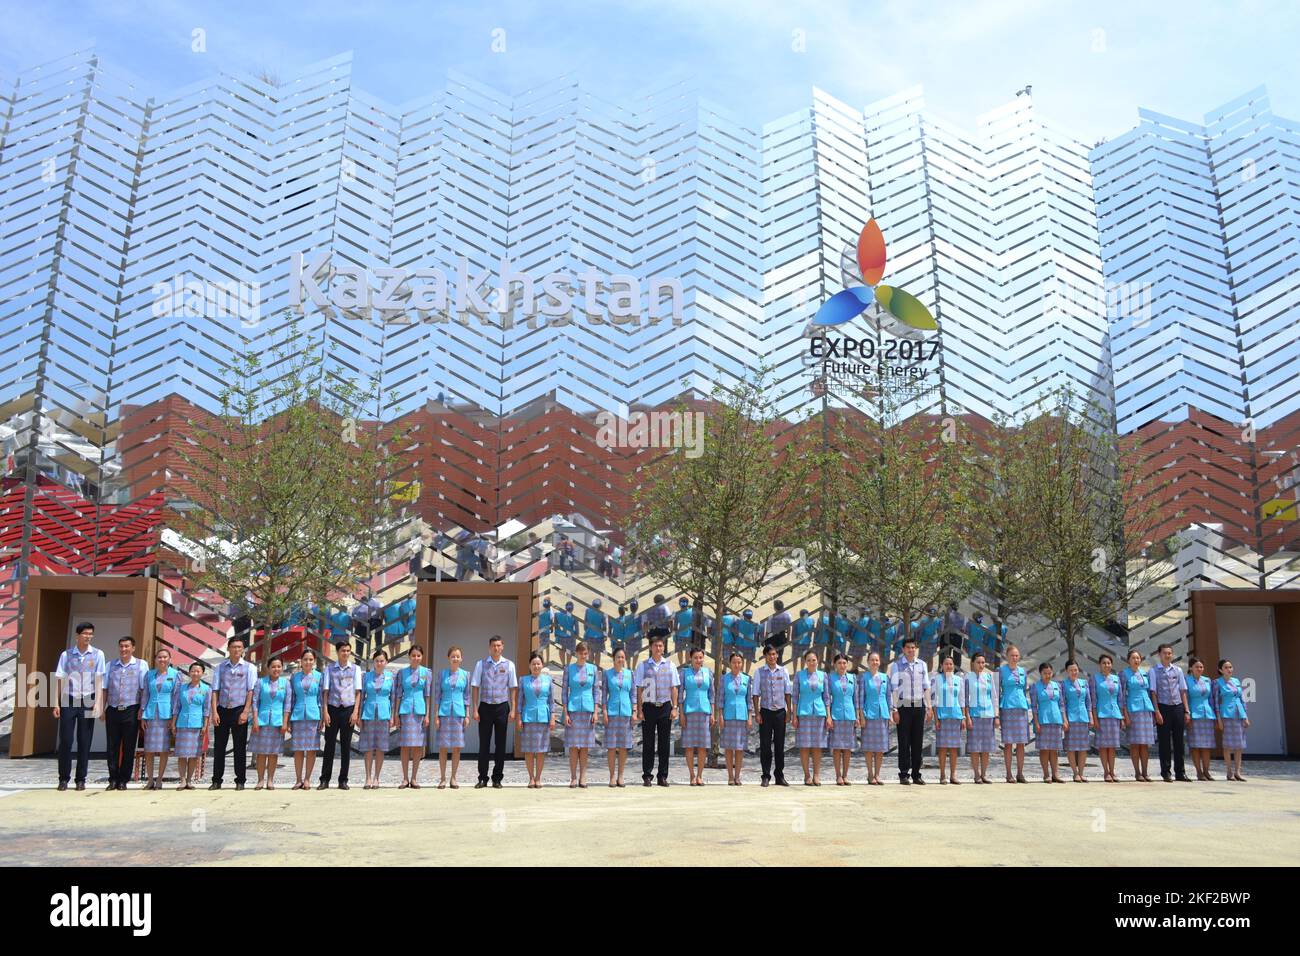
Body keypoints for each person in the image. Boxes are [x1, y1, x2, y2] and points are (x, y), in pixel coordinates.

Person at [54, 622, 106, 792]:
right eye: (85, 633)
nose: (88, 636)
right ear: (77, 635)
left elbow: (99, 680)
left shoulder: (98, 654)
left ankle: (81, 779)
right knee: (66, 740)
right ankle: (63, 778)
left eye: (91, 633)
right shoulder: (66, 655)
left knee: (85, 740)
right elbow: (60, 679)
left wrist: (98, 702)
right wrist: (56, 703)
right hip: (69, 699)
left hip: (88, 700)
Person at [210, 636, 257, 791]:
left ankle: (240, 780)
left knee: (239, 747)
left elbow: (251, 691)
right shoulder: (220, 667)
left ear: (243, 649)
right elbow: (215, 690)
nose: (237, 650)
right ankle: (216, 780)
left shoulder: (249, 667)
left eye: (239, 647)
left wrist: (245, 711)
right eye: (234, 647)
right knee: (219, 747)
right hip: (222, 709)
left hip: (239, 709)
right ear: (228, 649)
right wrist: (214, 712)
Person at [471, 635, 518, 789]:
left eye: (499, 645)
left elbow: (512, 687)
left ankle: (497, 778)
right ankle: (483, 778)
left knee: (500, 744)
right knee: (484, 744)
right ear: (489, 647)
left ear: (502, 646)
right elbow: (475, 686)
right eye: (493, 646)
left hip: (502, 707)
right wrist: (475, 708)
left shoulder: (509, 664)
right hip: (485, 707)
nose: (496, 648)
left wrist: (513, 709)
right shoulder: (481, 664)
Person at [319, 640, 364, 790]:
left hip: (348, 709)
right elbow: (325, 692)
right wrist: (325, 712)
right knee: (329, 744)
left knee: (346, 746)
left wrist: (356, 711)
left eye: (348, 651)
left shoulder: (356, 669)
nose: (345, 653)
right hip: (332, 708)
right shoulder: (329, 669)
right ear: (337, 652)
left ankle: (343, 779)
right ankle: (324, 779)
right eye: (343, 651)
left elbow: (358, 692)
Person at [634, 634, 679, 786]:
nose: (658, 648)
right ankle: (647, 775)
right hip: (648, 707)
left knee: (664, 743)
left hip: (665, 706)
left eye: (660, 646)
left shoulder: (670, 665)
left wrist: (675, 707)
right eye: (655, 646)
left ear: (664, 647)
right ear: (651, 647)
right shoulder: (643, 665)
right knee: (648, 742)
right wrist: (639, 710)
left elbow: (674, 688)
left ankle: (662, 775)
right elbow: (639, 689)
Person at [102, 636, 146, 791]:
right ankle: (113, 778)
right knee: (112, 746)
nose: (124, 649)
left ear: (133, 648)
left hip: (131, 709)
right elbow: (105, 689)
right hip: (113, 709)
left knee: (128, 746)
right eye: (121, 646)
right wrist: (102, 708)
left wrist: (142, 709)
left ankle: (123, 779)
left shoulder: (141, 665)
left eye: (127, 646)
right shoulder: (110, 665)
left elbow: (143, 690)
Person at [889, 635, 930, 785]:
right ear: (903, 650)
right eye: (908, 648)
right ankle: (904, 773)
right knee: (904, 740)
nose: (911, 650)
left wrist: (929, 706)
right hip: (903, 705)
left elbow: (926, 686)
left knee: (918, 741)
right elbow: (893, 688)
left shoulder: (922, 665)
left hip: (919, 705)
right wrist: (894, 709)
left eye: (913, 647)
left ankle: (916, 774)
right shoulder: (897, 665)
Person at [1149, 642, 1192, 782]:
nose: (1167, 655)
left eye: (1169, 653)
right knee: (1164, 741)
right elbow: (1153, 692)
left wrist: (1186, 710)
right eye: (1164, 653)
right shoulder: (1154, 671)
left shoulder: (1178, 670)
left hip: (1178, 706)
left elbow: (1183, 691)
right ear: (1159, 655)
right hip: (1163, 707)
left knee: (1179, 741)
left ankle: (1180, 772)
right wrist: (1157, 711)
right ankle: (1165, 772)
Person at [752, 642, 792, 787]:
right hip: (766, 712)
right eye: (769, 654)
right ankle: (766, 775)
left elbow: (788, 692)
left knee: (780, 745)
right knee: (765, 745)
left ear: (778, 655)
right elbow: (755, 694)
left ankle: (779, 775)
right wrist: (757, 713)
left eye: (774, 654)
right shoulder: (759, 672)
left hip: (780, 712)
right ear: (765, 656)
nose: (772, 657)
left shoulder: (784, 671)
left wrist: (789, 711)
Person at [140, 647, 179, 790]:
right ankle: (150, 779)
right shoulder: (149, 675)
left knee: (163, 749)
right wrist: (143, 714)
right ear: (155, 659)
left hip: (166, 714)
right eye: (159, 657)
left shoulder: (175, 674)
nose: (162, 660)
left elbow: (176, 698)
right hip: (151, 713)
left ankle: (159, 779)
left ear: (170, 659)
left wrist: (174, 718)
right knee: (149, 749)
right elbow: (145, 695)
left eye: (165, 657)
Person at [563, 641, 601, 788]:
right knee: (573, 746)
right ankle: (573, 777)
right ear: (576, 653)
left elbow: (596, 691)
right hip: (572, 709)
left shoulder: (593, 669)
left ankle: (583, 777)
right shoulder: (569, 669)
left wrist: (596, 711)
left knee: (584, 746)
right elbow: (564, 691)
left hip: (588, 710)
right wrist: (565, 712)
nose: (583, 656)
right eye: (580, 653)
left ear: (588, 654)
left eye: (585, 653)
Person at [250, 656, 291, 790]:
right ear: (268, 668)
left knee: (273, 753)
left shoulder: (286, 683)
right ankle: (260, 780)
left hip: (277, 722)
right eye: (273, 666)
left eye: (279, 666)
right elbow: (255, 702)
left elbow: (287, 704)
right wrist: (255, 720)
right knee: (261, 753)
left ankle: (270, 780)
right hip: (262, 721)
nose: (276, 669)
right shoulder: (260, 682)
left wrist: (285, 723)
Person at [433, 646, 471, 789]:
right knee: (443, 747)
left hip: (459, 714)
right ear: (448, 658)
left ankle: (453, 778)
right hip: (444, 712)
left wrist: (467, 714)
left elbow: (467, 696)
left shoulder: (466, 675)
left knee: (456, 748)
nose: (455, 658)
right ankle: (442, 778)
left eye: (458, 656)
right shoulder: (442, 674)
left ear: (461, 658)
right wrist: (436, 715)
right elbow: (437, 696)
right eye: (453, 656)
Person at [395, 645, 432, 789]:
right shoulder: (402, 673)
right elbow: (398, 694)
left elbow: (427, 695)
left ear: (422, 657)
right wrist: (396, 714)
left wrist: (427, 714)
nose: (416, 658)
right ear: (409, 657)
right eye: (413, 655)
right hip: (405, 710)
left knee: (417, 746)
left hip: (419, 712)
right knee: (405, 746)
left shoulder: (426, 673)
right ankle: (405, 778)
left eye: (418, 655)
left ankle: (414, 778)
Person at [358, 650, 395, 789]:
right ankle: (367, 777)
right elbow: (361, 698)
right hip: (368, 713)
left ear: (386, 662)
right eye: (377, 661)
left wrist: (392, 716)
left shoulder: (391, 677)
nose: (379, 663)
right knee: (368, 748)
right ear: (373, 662)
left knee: (380, 748)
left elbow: (393, 698)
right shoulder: (366, 676)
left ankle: (377, 778)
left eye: (382, 661)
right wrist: (359, 715)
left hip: (384, 714)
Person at [170, 662, 211, 790]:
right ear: (189, 672)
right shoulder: (182, 688)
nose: (195, 673)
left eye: (198, 671)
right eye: (193, 671)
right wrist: (173, 723)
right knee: (182, 754)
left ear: (202, 673)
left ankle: (189, 780)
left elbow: (206, 709)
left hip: (197, 724)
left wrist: (205, 726)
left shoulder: (206, 689)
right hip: (182, 722)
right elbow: (176, 706)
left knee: (193, 754)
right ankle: (182, 780)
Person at [792, 650, 830, 786]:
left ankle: (817, 775)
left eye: (813, 660)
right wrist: (794, 715)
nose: (811, 662)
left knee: (817, 746)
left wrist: (828, 716)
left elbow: (826, 697)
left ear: (817, 661)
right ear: (805, 662)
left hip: (819, 713)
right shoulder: (799, 675)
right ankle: (807, 775)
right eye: (808, 660)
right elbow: (795, 697)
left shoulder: (823, 675)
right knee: (804, 746)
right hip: (804, 712)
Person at [289, 648, 325, 790]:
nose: (308, 662)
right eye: (305, 659)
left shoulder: (319, 676)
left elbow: (321, 698)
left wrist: (322, 716)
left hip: (313, 714)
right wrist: (289, 719)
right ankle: (298, 779)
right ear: (301, 661)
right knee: (298, 749)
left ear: (314, 661)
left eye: (311, 659)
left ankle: (307, 778)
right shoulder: (294, 677)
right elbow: (291, 699)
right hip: (297, 715)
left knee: (311, 749)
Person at [679, 647, 714, 787]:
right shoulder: (684, 673)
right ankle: (691, 775)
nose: (698, 660)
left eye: (700, 657)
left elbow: (712, 694)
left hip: (705, 712)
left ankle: (700, 775)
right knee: (689, 746)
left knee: (702, 746)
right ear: (690, 658)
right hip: (689, 711)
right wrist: (681, 713)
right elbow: (680, 695)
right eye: (695, 658)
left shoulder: (708, 672)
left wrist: (712, 713)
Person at [518, 652, 554, 787]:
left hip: (544, 718)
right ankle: (531, 778)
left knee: (540, 750)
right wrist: (519, 717)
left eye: (538, 663)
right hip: (528, 717)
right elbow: (520, 700)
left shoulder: (548, 680)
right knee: (529, 750)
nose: (536, 666)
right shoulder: (523, 680)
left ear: (542, 665)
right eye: (533, 664)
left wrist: (552, 717)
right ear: (529, 665)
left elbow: (551, 701)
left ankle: (538, 778)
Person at [602, 645, 636, 787]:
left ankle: (621, 776)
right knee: (611, 746)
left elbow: (633, 694)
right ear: (613, 659)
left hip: (626, 713)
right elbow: (604, 694)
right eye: (618, 657)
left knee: (623, 746)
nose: (620, 659)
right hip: (612, 712)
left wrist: (634, 711)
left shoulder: (630, 674)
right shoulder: (607, 674)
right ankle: (611, 776)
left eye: (622, 657)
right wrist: (604, 711)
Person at [855, 650, 890, 785]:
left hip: (882, 714)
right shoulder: (863, 677)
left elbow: (888, 697)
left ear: (879, 662)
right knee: (869, 747)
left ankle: (878, 774)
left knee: (880, 747)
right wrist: (861, 716)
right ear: (868, 662)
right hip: (869, 714)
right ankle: (870, 774)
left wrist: (890, 713)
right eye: (872, 660)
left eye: (877, 660)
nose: (875, 662)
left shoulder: (884, 677)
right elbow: (860, 697)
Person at [1120, 648, 1155, 782]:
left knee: (1145, 744)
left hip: (1146, 709)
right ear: (1128, 660)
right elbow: (1122, 696)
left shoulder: (1144, 673)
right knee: (1135, 743)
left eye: (1138, 658)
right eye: (1133, 658)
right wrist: (1125, 715)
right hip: (1133, 710)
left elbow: (1149, 692)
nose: (1136, 660)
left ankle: (1145, 772)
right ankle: (1137, 772)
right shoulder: (1124, 674)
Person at [931, 651, 965, 785]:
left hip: (955, 716)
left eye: (951, 664)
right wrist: (936, 719)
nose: (949, 666)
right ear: (941, 666)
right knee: (943, 747)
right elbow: (934, 701)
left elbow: (962, 700)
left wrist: (963, 717)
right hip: (942, 716)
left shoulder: (959, 680)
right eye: (946, 664)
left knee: (954, 747)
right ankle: (942, 774)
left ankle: (953, 775)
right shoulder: (937, 679)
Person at [963, 650, 996, 784]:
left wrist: (996, 715)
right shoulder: (967, 677)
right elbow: (964, 699)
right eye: (978, 662)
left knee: (986, 747)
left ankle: (984, 774)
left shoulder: (989, 677)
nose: (981, 665)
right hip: (974, 715)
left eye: (983, 662)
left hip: (988, 715)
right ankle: (976, 774)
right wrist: (967, 716)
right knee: (975, 747)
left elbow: (993, 697)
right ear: (973, 663)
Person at [998, 643, 1030, 784]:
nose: (1015, 658)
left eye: (1017, 655)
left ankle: (1020, 773)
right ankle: (1009, 773)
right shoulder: (1001, 670)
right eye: (1012, 655)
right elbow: (996, 691)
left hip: (1021, 707)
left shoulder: (1023, 671)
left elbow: (1023, 688)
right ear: (1006, 656)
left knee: (1021, 742)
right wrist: (997, 713)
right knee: (1009, 743)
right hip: (1007, 707)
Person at [719, 651, 752, 786]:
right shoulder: (724, 679)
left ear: (742, 664)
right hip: (728, 715)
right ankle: (730, 776)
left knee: (739, 748)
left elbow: (749, 700)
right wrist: (720, 715)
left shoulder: (746, 679)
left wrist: (750, 717)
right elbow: (720, 698)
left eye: (739, 662)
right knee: (728, 747)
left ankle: (738, 776)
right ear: (729, 664)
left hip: (742, 716)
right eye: (734, 662)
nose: (737, 665)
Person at [1089, 653, 1123, 782]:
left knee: (1112, 746)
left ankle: (1113, 771)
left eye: (1108, 663)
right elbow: (1093, 700)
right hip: (1101, 715)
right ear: (1099, 665)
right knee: (1103, 745)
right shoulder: (1094, 678)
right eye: (1104, 663)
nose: (1106, 665)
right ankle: (1106, 772)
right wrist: (1094, 718)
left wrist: (1122, 717)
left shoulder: (1116, 678)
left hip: (1114, 714)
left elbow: (1120, 699)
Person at [1213, 659, 1249, 782]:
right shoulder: (1217, 683)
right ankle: (1229, 771)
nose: (1229, 669)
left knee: (1240, 744)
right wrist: (1218, 719)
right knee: (1228, 744)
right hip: (1226, 715)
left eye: (1230, 667)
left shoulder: (1236, 681)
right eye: (1226, 667)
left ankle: (1238, 771)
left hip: (1239, 714)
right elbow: (1216, 702)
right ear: (1220, 670)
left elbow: (1242, 699)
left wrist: (1245, 716)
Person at [1031, 662, 1065, 784]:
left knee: (1054, 749)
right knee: (1044, 749)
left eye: (1049, 673)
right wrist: (1036, 722)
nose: (1047, 675)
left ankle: (1056, 774)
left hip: (1056, 719)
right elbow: (1034, 706)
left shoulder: (1057, 686)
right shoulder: (1035, 686)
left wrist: (1064, 719)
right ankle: (1046, 774)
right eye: (1045, 673)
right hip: (1043, 720)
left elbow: (1061, 704)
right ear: (1040, 673)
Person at [826, 653, 857, 786]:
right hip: (836, 715)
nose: (842, 665)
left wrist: (857, 716)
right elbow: (827, 698)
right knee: (837, 747)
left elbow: (856, 699)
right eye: (839, 663)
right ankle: (838, 775)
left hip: (850, 715)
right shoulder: (830, 678)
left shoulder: (853, 678)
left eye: (844, 663)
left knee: (848, 747)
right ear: (834, 664)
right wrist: (828, 716)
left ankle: (845, 775)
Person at [1060, 659, 1092, 782]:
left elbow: (1088, 701)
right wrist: (1064, 719)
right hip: (1071, 718)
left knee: (1083, 747)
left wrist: (1091, 716)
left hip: (1083, 718)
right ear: (1067, 671)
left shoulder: (1084, 683)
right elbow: (1062, 703)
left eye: (1076, 670)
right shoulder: (1064, 684)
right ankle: (1075, 773)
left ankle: (1082, 772)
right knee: (1071, 747)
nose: (1074, 672)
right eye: (1071, 670)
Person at [1185, 656, 1216, 781]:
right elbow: (1185, 697)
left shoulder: (1207, 680)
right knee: (1195, 745)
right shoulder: (1186, 680)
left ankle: (1207, 771)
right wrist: (1187, 713)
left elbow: (1211, 699)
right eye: (1197, 667)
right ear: (1191, 668)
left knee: (1206, 745)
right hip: (1194, 714)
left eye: (1201, 667)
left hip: (1207, 714)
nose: (1199, 669)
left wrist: (1214, 714)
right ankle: (1199, 772)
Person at [939, 603, 966, 670]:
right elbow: (963, 629)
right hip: (957, 637)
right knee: (957, 655)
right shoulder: (962, 616)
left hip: (946, 636)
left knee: (945, 655)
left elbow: (941, 628)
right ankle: (957, 670)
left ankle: (943, 669)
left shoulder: (945, 615)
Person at [764, 600, 792, 665]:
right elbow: (789, 627)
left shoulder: (771, 617)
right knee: (779, 656)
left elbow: (768, 630)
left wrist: (764, 639)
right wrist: (788, 638)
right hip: (781, 637)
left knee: (770, 655)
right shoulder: (788, 616)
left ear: (775, 607)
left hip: (771, 638)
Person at [583, 598, 608, 667]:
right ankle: (596, 667)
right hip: (599, 636)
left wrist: (586, 630)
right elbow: (604, 626)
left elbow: (585, 622)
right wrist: (605, 635)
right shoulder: (602, 614)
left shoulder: (587, 611)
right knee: (598, 652)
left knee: (590, 651)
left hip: (589, 635)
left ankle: (591, 666)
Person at [672, 597, 694, 666]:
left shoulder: (677, 613)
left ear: (679, 604)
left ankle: (681, 665)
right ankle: (687, 664)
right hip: (689, 634)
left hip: (680, 634)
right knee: (688, 650)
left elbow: (675, 627)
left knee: (679, 651)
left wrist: (674, 636)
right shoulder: (692, 611)